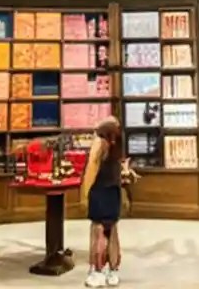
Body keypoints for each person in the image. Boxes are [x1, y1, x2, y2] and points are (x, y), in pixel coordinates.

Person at [81, 117, 124, 287]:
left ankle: (97, 272)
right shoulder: (117, 145)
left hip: (99, 191)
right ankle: (113, 272)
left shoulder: (99, 143)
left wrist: (84, 193)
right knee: (112, 231)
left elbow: (92, 168)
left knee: (97, 231)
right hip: (114, 191)